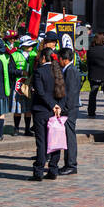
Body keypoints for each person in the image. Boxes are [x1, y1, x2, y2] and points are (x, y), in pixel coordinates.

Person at [31, 45, 67, 180]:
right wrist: (59, 107)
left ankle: (39, 171)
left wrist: (53, 105)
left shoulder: (39, 72)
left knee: (42, 142)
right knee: (55, 141)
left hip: (41, 110)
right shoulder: (58, 71)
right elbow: (64, 92)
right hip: (55, 112)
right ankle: (53, 169)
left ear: (44, 57)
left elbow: (40, 92)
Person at [57, 46, 81, 174]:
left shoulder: (70, 71)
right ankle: (68, 163)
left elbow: (70, 93)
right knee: (67, 136)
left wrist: (64, 109)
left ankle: (71, 164)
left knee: (70, 136)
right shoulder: (69, 69)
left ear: (64, 59)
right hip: (69, 108)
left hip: (70, 109)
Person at [85, 32, 104, 120]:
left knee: (93, 94)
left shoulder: (90, 50)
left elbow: (88, 62)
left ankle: (91, 110)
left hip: (93, 74)